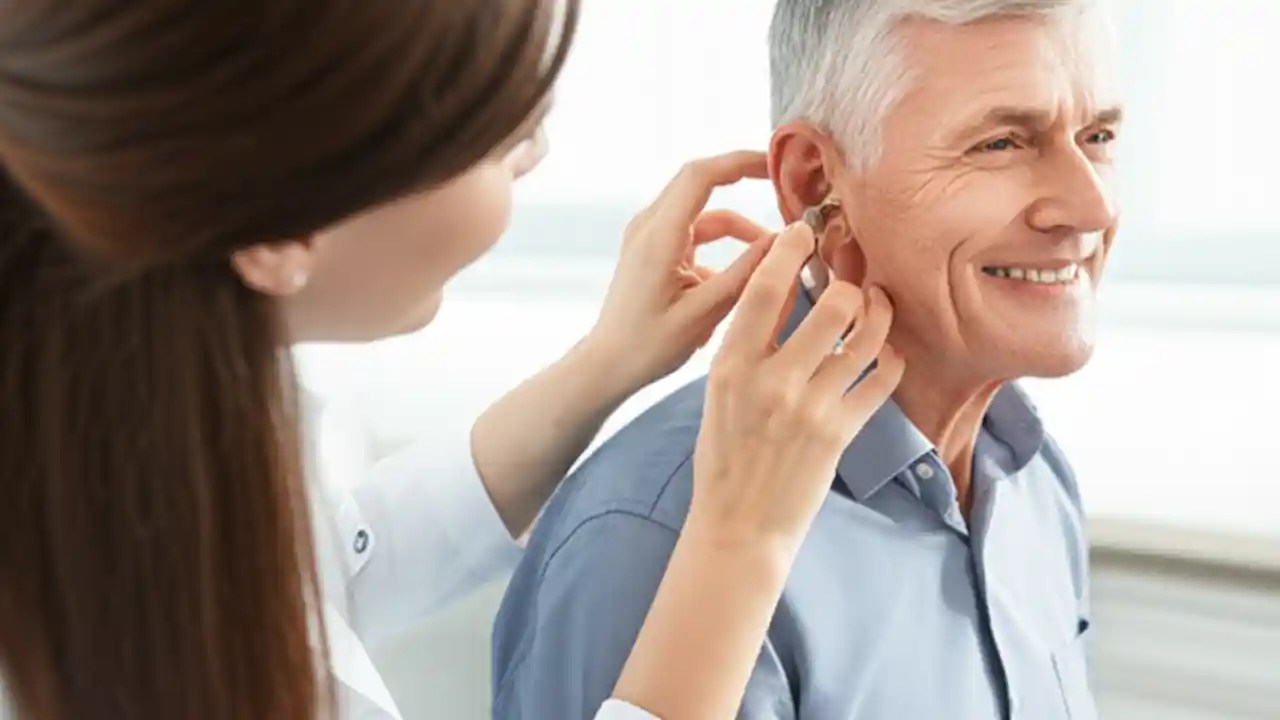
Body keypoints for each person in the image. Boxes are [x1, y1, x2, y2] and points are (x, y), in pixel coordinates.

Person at [0, 1, 905, 719]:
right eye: (495, 131)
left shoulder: (125, 427)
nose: (532, 158)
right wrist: (741, 537)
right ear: (281, 230)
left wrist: (606, 365)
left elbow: (327, 566)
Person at [492, 0, 1123, 718]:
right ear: (817, 184)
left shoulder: (1033, 479)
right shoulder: (648, 539)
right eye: (1002, 143)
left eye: (1098, 136)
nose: (1093, 207)